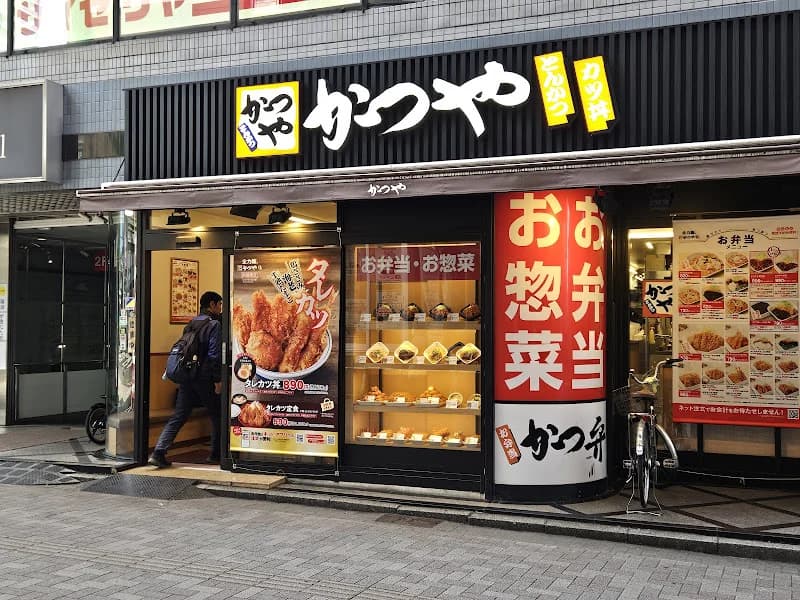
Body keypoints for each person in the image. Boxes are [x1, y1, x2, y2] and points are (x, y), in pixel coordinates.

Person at [149, 291, 223, 468]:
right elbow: (214, 355)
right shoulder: (214, 325)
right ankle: (215, 454)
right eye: (219, 304)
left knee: (179, 415)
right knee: (217, 414)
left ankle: (159, 451)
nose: (221, 308)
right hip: (203, 378)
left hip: (186, 376)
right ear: (212, 305)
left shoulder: (191, 323)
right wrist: (217, 379)